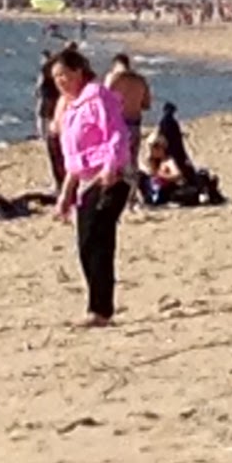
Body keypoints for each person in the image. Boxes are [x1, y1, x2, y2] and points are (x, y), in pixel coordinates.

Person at [52, 46, 133, 327]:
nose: (60, 81)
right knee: (85, 245)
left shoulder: (97, 96)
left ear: (78, 72)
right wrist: (65, 193)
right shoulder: (71, 107)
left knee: (98, 242)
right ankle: (98, 307)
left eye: (63, 74)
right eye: (55, 77)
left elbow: (116, 133)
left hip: (109, 177)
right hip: (86, 182)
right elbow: (73, 160)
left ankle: (100, 310)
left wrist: (111, 166)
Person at [104, 53, 152, 202]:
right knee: (133, 160)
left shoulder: (113, 78)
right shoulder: (140, 80)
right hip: (135, 123)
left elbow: (103, 101)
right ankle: (131, 195)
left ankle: (117, 195)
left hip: (118, 124)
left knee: (115, 161)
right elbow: (146, 104)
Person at [36, 52, 64, 189]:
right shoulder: (56, 79)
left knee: (53, 150)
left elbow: (38, 93)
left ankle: (58, 183)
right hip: (54, 113)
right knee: (57, 151)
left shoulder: (46, 78)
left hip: (48, 114)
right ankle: (59, 181)